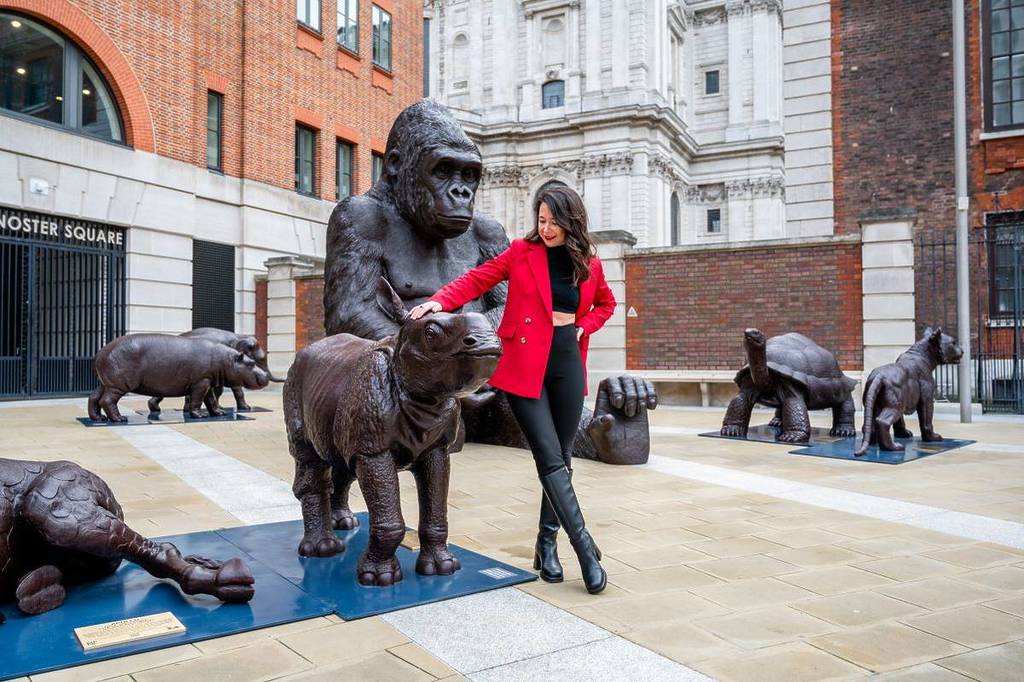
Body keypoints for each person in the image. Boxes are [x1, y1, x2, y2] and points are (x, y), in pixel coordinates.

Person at [409, 186, 615, 594]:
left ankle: (546, 543)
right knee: (548, 455)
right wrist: (439, 302)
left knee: (562, 458)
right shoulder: (522, 252)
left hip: (567, 362)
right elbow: (477, 279)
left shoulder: (588, 261)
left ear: (570, 221)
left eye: (554, 222)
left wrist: (582, 326)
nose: (547, 228)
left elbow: (605, 305)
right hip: (524, 367)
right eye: (541, 221)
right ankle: (584, 547)